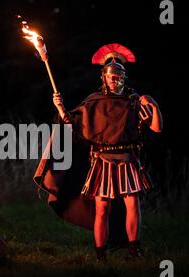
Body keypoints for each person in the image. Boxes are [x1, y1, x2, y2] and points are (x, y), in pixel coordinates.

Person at [34, 43, 163, 262]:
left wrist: (153, 104)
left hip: (127, 160)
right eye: (111, 77)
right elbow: (70, 123)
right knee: (102, 208)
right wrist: (60, 107)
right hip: (102, 160)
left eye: (118, 77)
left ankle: (134, 249)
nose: (115, 80)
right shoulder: (93, 102)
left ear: (124, 78)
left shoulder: (133, 101)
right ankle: (100, 253)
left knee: (132, 204)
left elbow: (157, 128)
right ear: (104, 78)